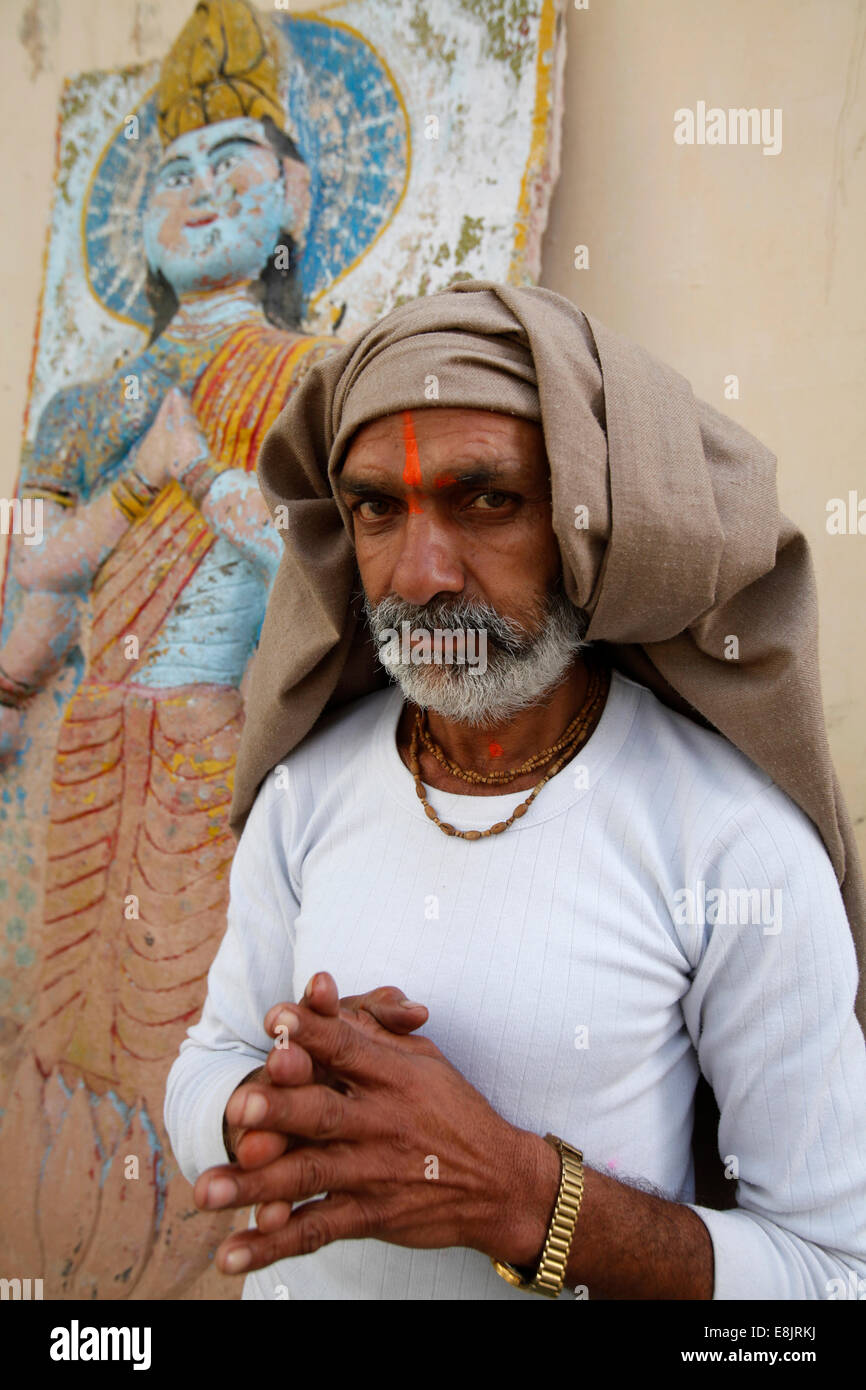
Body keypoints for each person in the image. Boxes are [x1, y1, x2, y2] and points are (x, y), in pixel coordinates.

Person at [164, 280, 866, 1300]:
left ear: (593, 523)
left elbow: (828, 1279)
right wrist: (272, 1105)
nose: (420, 574)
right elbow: (206, 1060)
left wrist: (524, 1196)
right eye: (376, 507)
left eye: (485, 498)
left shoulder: (730, 843)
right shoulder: (306, 791)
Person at [0, 0, 343, 1299]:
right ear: (136, 220)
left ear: (292, 200)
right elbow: (32, 560)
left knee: (183, 1029)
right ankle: (72, 1260)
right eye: (174, 176)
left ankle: (198, 1273)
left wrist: (212, 488)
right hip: (89, 738)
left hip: (211, 744)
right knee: (60, 1032)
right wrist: (138, 485)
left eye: (231, 169)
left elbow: (326, 572)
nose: (199, 194)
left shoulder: (316, 376)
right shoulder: (84, 401)